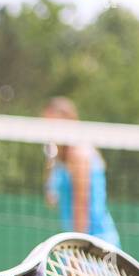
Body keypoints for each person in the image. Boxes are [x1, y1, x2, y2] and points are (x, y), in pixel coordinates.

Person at [41, 97, 121, 247]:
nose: (49, 130)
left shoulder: (79, 154)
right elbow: (51, 199)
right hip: (77, 239)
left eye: (53, 124)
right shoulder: (60, 158)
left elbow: (81, 206)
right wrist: (50, 159)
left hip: (95, 242)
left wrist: (77, 248)